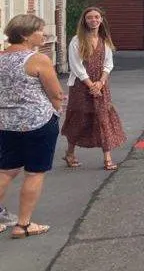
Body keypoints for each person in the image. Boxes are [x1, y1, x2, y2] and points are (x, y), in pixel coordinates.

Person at [0, 14, 64, 238]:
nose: (43, 34)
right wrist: (57, 110)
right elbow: (55, 92)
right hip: (38, 121)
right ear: (26, 34)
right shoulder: (37, 59)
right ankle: (23, 224)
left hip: (7, 123)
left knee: (6, 171)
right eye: (39, 30)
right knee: (35, 172)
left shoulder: (1, 57)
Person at [62, 7, 127, 171]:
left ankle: (107, 158)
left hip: (101, 85)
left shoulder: (104, 40)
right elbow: (76, 66)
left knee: (103, 118)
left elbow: (108, 64)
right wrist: (91, 85)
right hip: (81, 86)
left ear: (101, 19)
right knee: (80, 119)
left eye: (96, 17)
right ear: (84, 20)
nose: (93, 20)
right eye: (90, 17)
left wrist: (101, 82)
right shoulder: (77, 41)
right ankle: (70, 153)